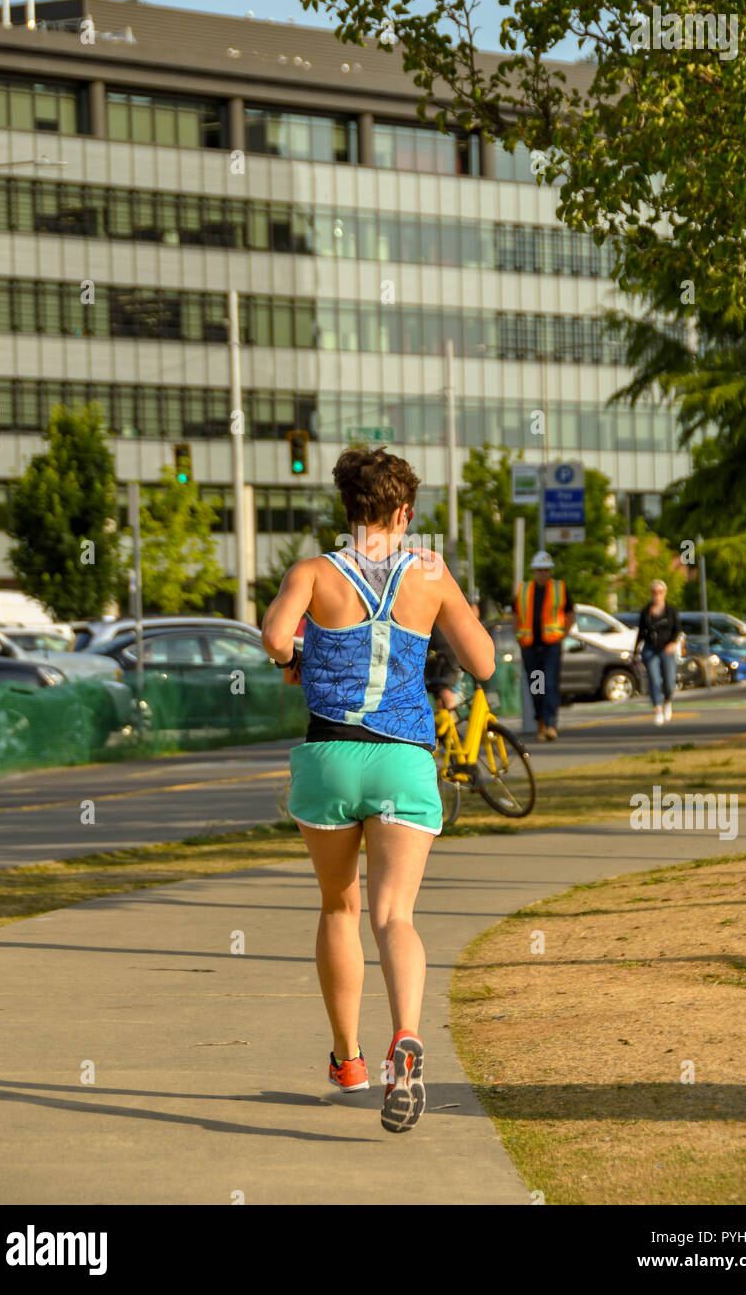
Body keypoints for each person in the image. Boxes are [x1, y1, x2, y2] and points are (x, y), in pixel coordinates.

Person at [261, 447, 495, 1133]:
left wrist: (299, 657)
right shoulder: (430, 572)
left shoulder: (313, 571)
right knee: (394, 916)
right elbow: (480, 661)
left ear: (346, 509)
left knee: (339, 909)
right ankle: (407, 1038)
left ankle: (348, 1060)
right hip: (402, 761)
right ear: (405, 513)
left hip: (331, 754)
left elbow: (276, 639)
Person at [513, 551, 574, 741]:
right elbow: (515, 614)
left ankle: (550, 724)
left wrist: (564, 634)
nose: (542, 574)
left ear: (550, 571)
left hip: (551, 646)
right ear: (534, 571)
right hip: (530, 647)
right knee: (537, 686)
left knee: (550, 684)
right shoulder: (524, 590)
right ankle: (541, 721)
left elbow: (570, 612)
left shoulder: (559, 588)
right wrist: (518, 636)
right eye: (539, 570)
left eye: (546, 570)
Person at [634, 579, 680, 726]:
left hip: (666, 649)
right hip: (650, 649)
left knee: (669, 681)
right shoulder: (646, 612)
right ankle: (658, 710)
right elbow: (641, 632)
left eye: (660, 592)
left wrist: (673, 643)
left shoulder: (671, 611)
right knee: (654, 679)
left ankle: (667, 701)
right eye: (654, 592)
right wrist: (636, 651)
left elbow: (677, 629)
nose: (657, 595)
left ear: (664, 593)